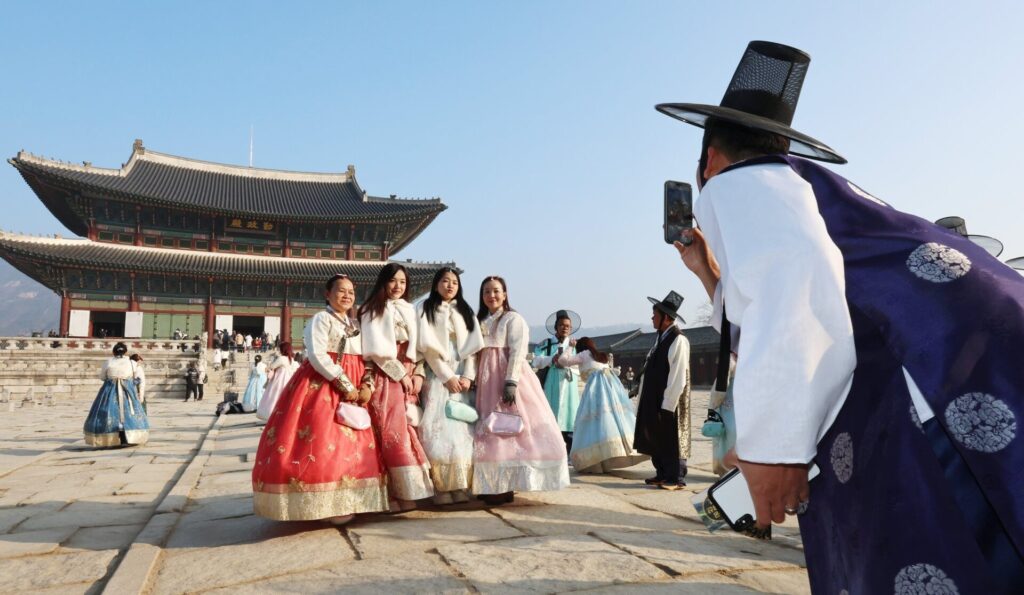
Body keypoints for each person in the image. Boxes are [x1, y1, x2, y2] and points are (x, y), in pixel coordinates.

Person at [660, 41, 1024, 592]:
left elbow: (795, 277)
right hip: (964, 378)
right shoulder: (803, 188)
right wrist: (707, 272)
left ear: (709, 157)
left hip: (922, 399)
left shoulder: (738, 179)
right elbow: (793, 292)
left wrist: (773, 450)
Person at [252, 274, 387, 523]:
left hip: (355, 382)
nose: (347, 296)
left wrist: (366, 382)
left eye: (351, 292)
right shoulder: (321, 320)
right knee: (322, 439)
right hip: (324, 384)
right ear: (327, 294)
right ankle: (323, 502)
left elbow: (366, 357)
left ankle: (350, 498)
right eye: (341, 291)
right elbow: (317, 355)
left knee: (355, 444)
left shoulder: (356, 324)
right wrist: (344, 384)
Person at [472, 276, 569, 504]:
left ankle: (507, 484)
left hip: (506, 377)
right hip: (486, 382)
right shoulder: (483, 321)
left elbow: (517, 351)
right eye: (486, 291)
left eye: (496, 291)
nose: (491, 295)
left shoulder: (513, 319)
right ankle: (494, 483)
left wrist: (511, 382)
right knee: (492, 429)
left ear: (505, 294)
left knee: (510, 429)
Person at [359, 263, 434, 509]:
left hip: (410, 375)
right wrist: (401, 375)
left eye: (402, 281)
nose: (398, 286)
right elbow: (377, 353)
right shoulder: (372, 311)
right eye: (393, 281)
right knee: (391, 432)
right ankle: (394, 494)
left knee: (413, 427)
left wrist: (418, 375)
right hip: (387, 377)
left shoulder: (410, 310)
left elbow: (420, 349)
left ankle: (410, 490)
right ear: (383, 282)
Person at [416, 267, 484, 505]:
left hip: (461, 381)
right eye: (445, 281)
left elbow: (472, 352)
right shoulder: (425, 309)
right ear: (436, 284)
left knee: (462, 432)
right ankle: (442, 488)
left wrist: (467, 377)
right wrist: (447, 377)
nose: (450, 285)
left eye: (454, 281)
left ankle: (460, 484)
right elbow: (427, 350)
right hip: (438, 377)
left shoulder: (465, 311)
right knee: (439, 430)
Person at [554, 337, 648, 473]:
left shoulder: (584, 354)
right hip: (611, 391)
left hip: (596, 391)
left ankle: (595, 460)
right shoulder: (601, 356)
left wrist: (570, 346)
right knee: (610, 422)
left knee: (594, 424)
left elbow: (563, 361)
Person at [633, 291, 691, 490]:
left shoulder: (679, 340)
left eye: (655, 315)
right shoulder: (660, 338)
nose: (652, 318)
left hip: (669, 399)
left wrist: (668, 403)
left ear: (666, 317)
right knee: (656, 436)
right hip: (654, 397)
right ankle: (662, 473)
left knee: (671, 437)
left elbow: (678, 375)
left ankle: (675, 477)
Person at [532, 310, 581, 454]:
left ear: (571, 328)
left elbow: (581, 364)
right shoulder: (546, 344)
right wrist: (551, 359)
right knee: (551, 412)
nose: (565, 328)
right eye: (561, 325)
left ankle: (569, 448)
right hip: (551, 381)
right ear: (556, 327)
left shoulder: (575, 345)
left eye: (567, 326)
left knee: (569, 414)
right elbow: (536, 360)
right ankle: (550, 447)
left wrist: (568, 366)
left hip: (569, 382)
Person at [84, 342, 149, 447]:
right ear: (126, 352)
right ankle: (129, 436)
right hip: (127, 390)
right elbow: (138, 378)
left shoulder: (108, 362)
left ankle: (110, 437)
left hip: (109, 390)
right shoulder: (132, 363)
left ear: (113, 352)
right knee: (129, 413)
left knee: (110, 412)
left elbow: (102, 377)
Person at [256, 342, 300, 421]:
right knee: (285, 399)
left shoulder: (282, 358)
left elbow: (271, 367)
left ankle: (271, 415)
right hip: (288, 382)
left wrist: (268, 367)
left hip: (279, 382)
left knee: (274, 397)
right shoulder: (292, 361)